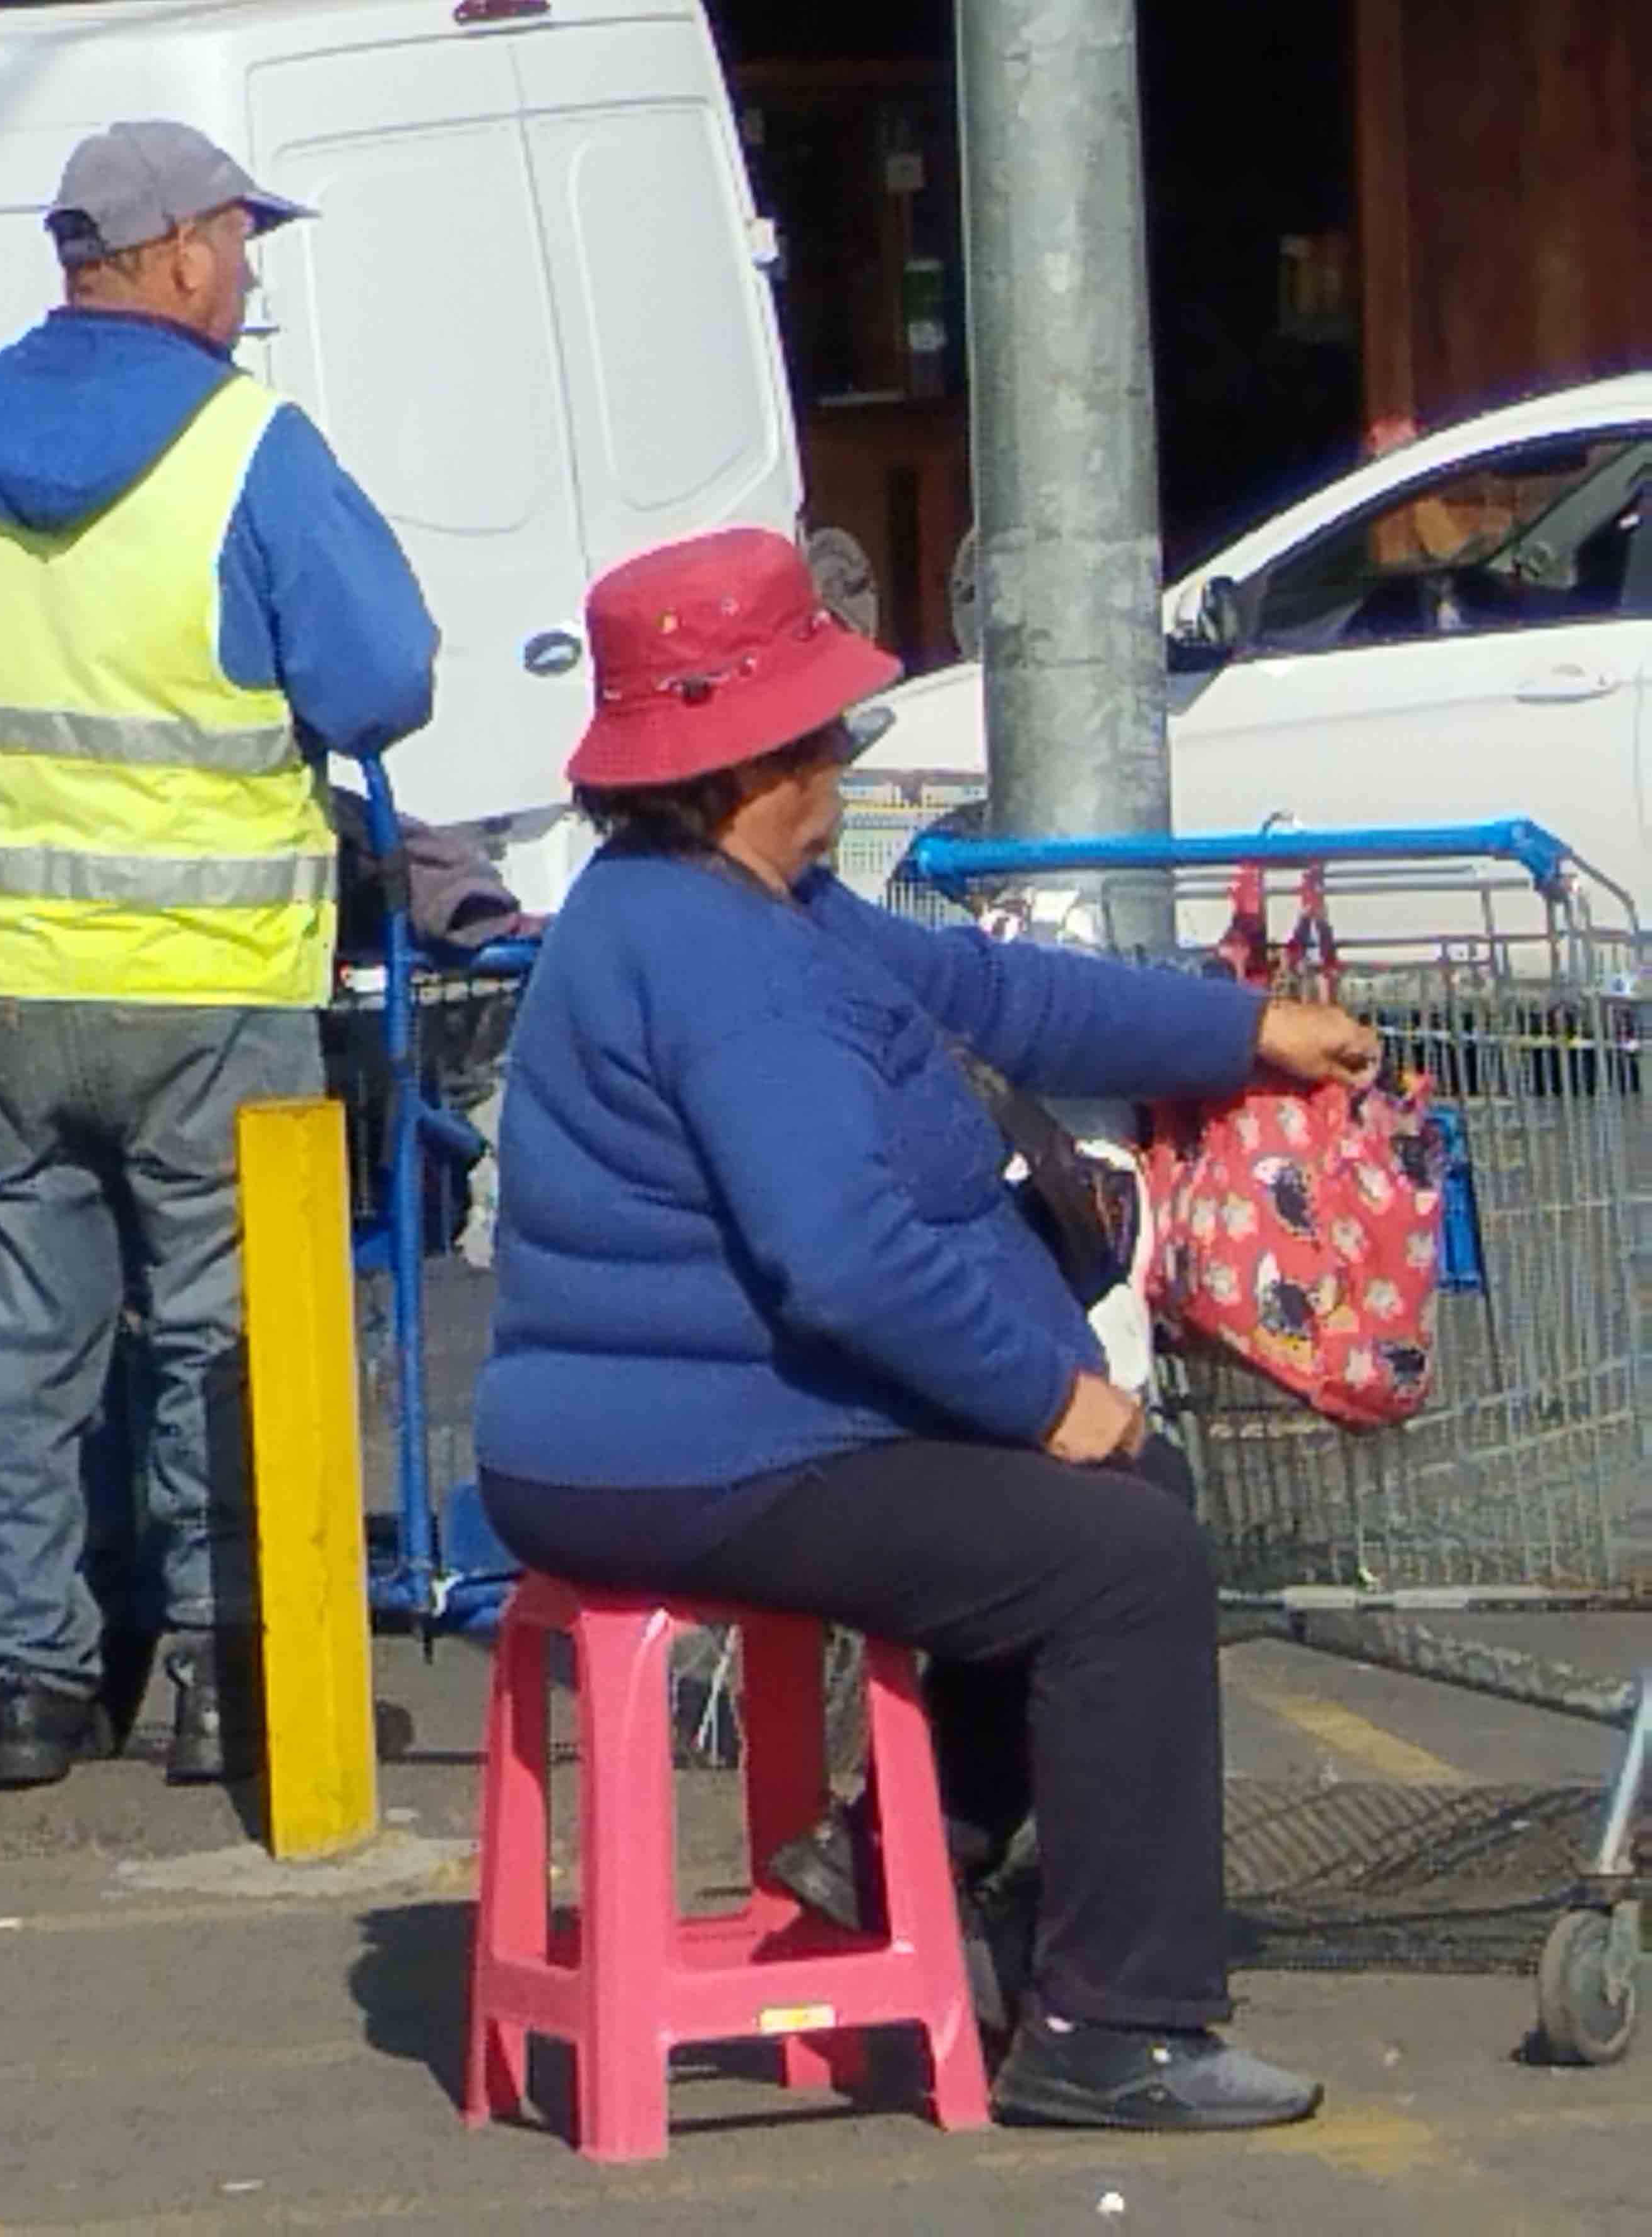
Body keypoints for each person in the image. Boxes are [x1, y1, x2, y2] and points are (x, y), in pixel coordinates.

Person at [473, 525, 1376, 2132]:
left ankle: (899, 1848)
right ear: (754, 758)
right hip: (691, 1453)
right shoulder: (719, 958)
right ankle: (1116, 2026)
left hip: (691, 1428)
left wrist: (1243, 1028)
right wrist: (1046, 1399)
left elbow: (995, 996)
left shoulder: (750, 907)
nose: (841, 755)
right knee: (1122, 1556)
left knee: (1127, 1507)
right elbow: (845, 1261)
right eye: (823, 731)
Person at [0, 121, 437, 1791]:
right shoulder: (244, 446)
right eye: (241, 246)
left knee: (17, 1347)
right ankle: (217, 1673)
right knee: (224, 1337)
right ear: (184, 253)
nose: (249, 274)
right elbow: (381, 681)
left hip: (11, 985)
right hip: (217, 989)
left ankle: (31, 1692)